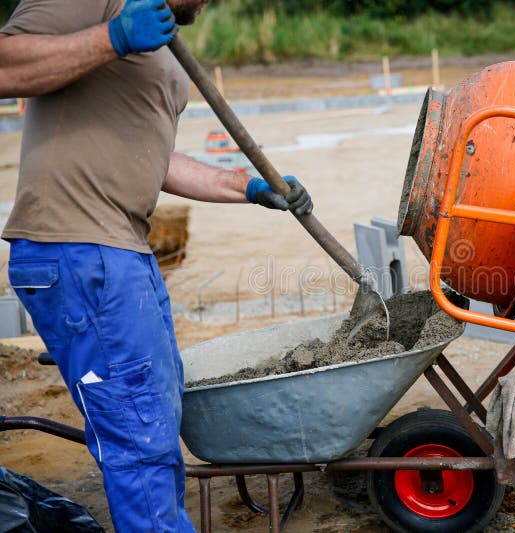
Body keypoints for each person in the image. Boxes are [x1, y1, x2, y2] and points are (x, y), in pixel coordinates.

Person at [0, 0, 313, 531]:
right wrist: (113, 38)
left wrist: (249, 186)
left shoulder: (161, 41)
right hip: (80, 251)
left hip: (120, 253)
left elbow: (151, 157)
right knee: (139, 435)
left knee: (154, 421)